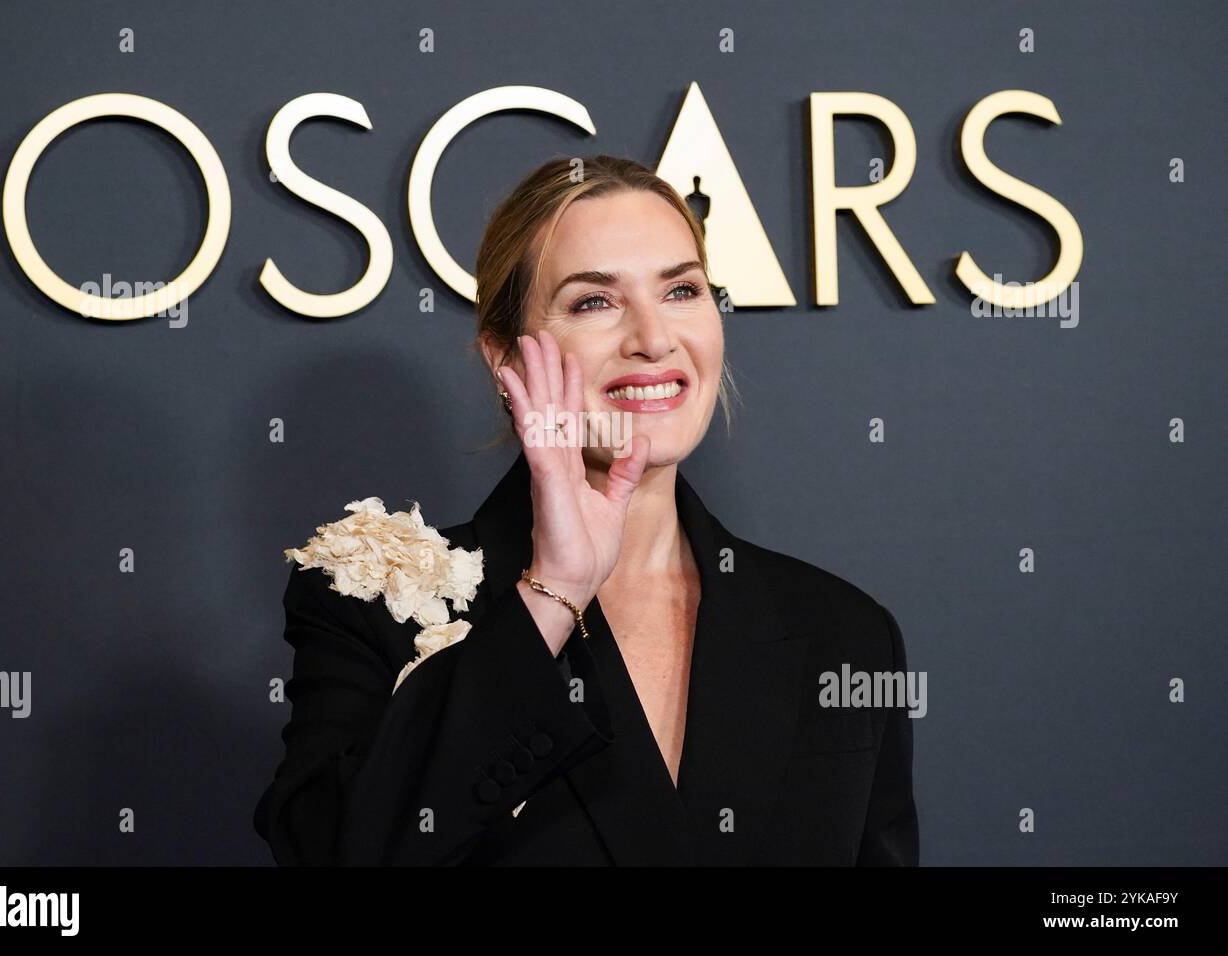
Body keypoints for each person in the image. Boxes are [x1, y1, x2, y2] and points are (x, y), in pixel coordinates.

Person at [253, 154, 918, 865]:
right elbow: (334, 851)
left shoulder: (843, 634)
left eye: (682, 290)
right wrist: (554, 594)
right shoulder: (372, 604)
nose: (654, 339)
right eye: (594, 302)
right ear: (506, 358)